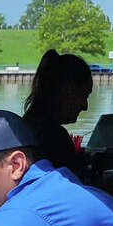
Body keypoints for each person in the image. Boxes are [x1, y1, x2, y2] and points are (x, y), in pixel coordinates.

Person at [22, 49, 93, 178]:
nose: (85, 106)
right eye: (84, 96)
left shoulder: (24, 128)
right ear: (68, 91)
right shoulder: (55, 138)